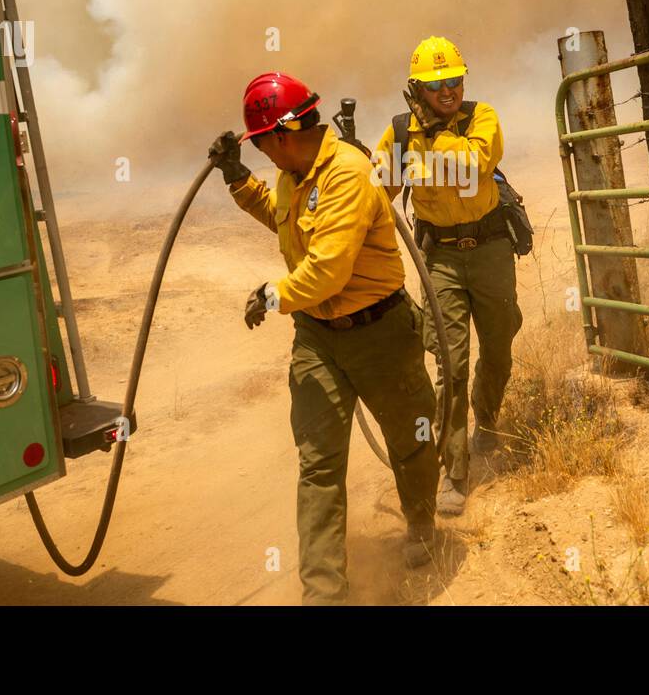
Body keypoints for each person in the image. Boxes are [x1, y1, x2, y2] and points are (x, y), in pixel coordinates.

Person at [209, 71, 439, 605]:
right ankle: (325, 595)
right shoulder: (292, 171)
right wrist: (239, 179)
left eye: (260, 147)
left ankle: (423, 524)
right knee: (318, 466)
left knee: (412, 443)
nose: (264, 155)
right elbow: (284, 219)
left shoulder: (347, 175)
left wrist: (271, 295)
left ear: (283, 135)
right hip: (316, 338)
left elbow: (328, 270)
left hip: (381, 333)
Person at [374, 36, 523, 516]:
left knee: (498, 348)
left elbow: (472, 164)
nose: (449, 91)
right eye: (437, 84)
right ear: (417, 88)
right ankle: (454, 472)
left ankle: (489, 416)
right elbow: (375, 195)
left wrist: (433, 135)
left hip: (491, 249)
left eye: (455, 80)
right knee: (451, 365)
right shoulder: (399, 133)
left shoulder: (482, 118)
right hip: (438, 257)